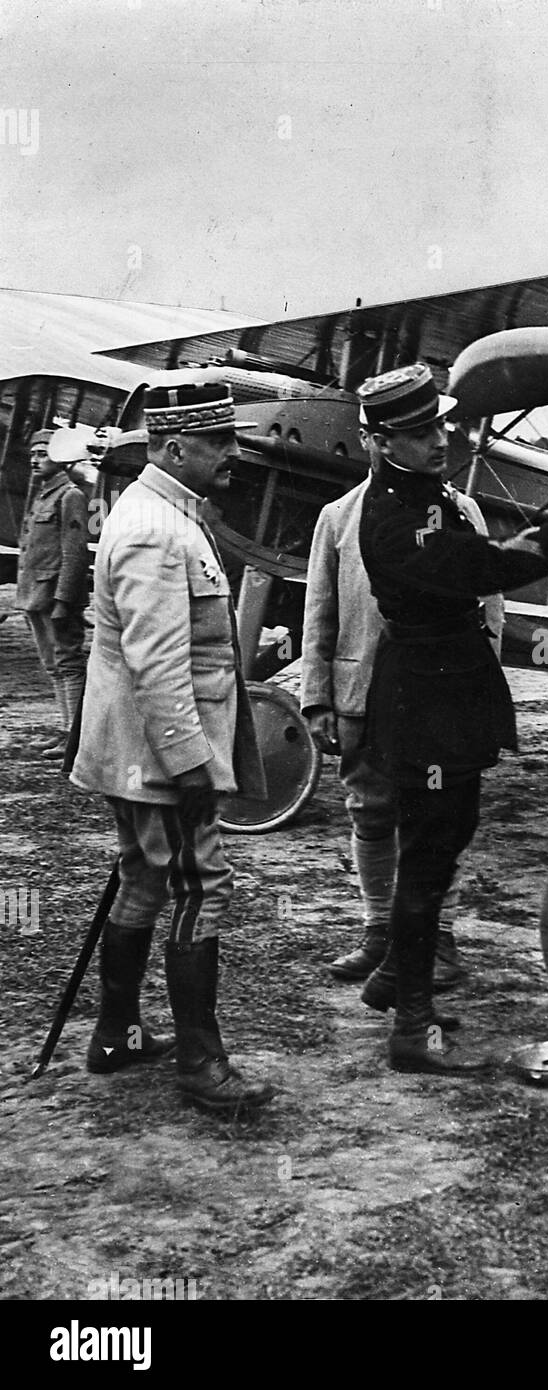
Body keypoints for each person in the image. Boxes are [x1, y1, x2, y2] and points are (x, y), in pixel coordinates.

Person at [355, 363, 548, 1075]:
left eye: (437, 424)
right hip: (427, 699)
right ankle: (410, 1025)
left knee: (444, 843)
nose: (439, 439)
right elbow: (488, 565)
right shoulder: (393, 520)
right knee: (427, 860)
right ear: (380, 442)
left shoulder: (419, 494)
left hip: (441, 692)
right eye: (418, 432)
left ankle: (399, 986)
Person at [67, 381, 276, 1114]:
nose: (233, 454)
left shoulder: (161, 512)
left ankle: (116, 1034)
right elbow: (159, 664)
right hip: (160, 752)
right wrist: (190, 762)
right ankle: (201, 1062)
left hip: (137, 747)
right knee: (199, 886)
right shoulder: (158, 529)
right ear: (173, 447)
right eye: (218, 442)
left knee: (145, 880)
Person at [300, 458, 503, 991]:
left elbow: (491, 605)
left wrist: (474, 687)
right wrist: (316, 697)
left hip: (435, 696)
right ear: (371, 440)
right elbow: (319, 611)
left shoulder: (460, 510)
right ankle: (377, 932)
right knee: (369, 808)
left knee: (434, 818)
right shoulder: (337, 517)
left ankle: (439, 939)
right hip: (360, 693)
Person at [16, 427, 89, 758]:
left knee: (68, 664)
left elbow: (74, 553)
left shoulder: (70, 495)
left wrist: (63, 601)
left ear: (61, 459)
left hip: (54, 597)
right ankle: (65, 734)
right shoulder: (45, 493)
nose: (34, 459)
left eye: (42, 453)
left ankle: (76, 739)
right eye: (33, 453)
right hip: (36, 595)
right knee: (53, 666)